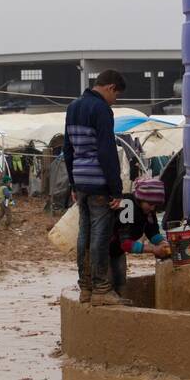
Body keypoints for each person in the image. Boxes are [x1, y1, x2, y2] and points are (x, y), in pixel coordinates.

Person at [64, 70, 126, 306]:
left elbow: (68, 149)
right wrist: (116, 189)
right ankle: (101, 288)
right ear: (110, 88)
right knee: (100, 235)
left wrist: (72, 181)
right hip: (99, 181)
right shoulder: (101, 110)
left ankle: (86, 288)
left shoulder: (73, 107)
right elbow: (106, 151)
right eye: (116, 96)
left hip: (80, 181)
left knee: (84, 235)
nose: (114, 101)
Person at [107, 176, 173, 302]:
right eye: (150, 204)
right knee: (108, 285)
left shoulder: (148, 210)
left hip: (117, 252)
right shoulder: (127, 205)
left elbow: (152, 232)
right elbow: (126, 244)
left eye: (156, 205)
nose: (153, 208)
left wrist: (163, 243)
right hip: (105, 251)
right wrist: (153, 249)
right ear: (141, 199)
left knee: (121, 284)